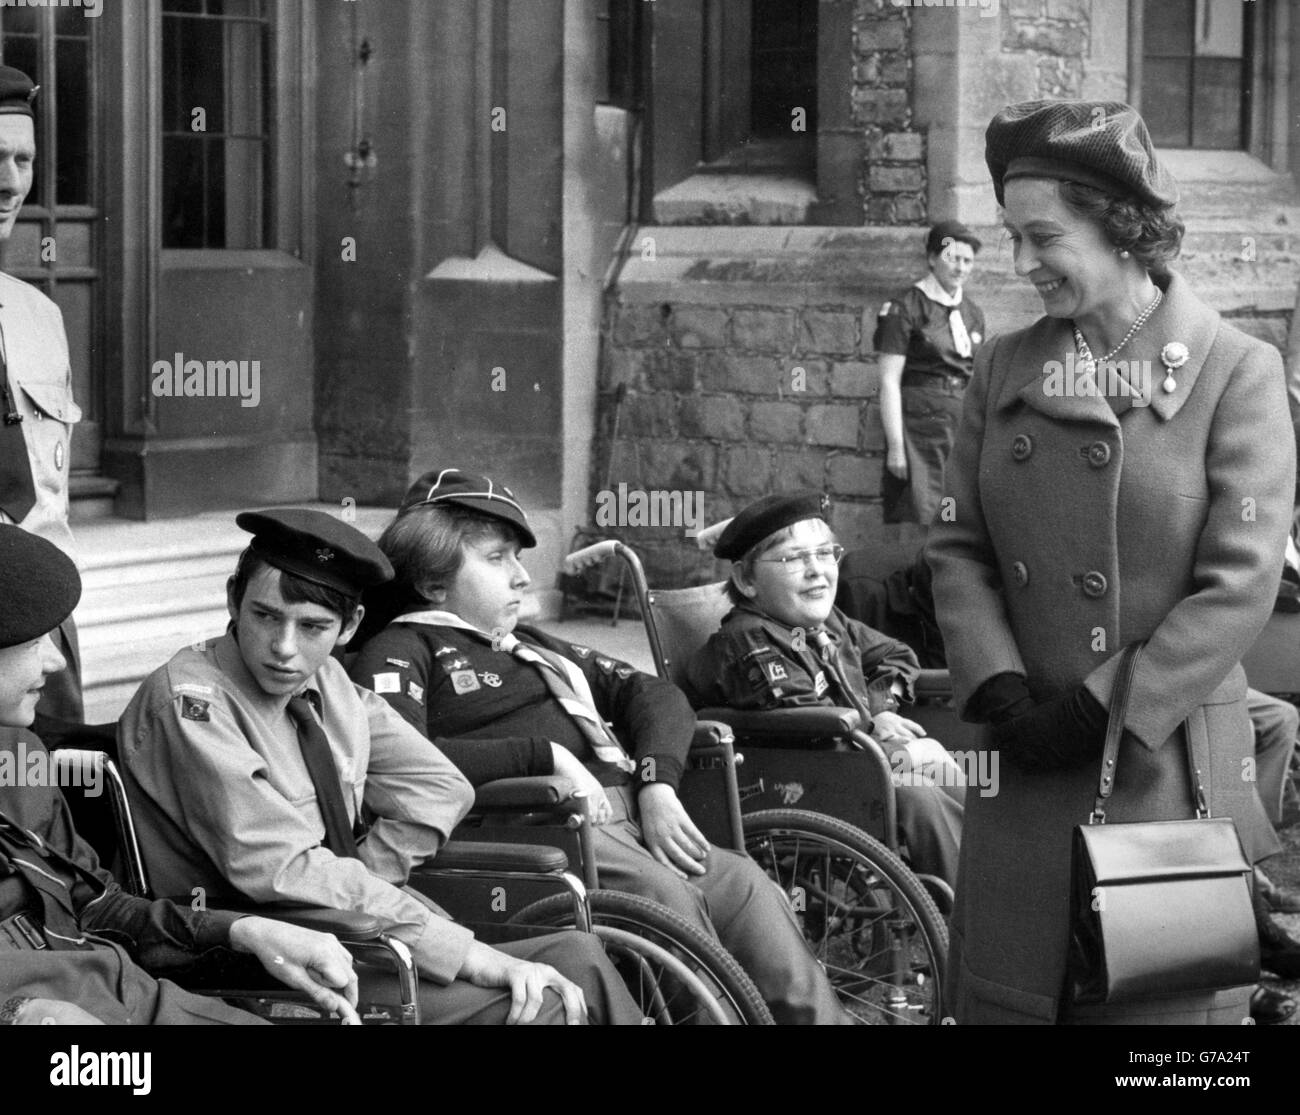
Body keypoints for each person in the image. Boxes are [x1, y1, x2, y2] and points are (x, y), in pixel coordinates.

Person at [926, 100, 1295, 1025]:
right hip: (1022, 759)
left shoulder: (1235, 371)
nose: (1021, 262)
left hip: (1162, 767)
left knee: (1160, 1042)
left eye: (1043, 237)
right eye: (1011, 237)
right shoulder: (1001, 366)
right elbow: (957, 543)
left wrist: (1104, 705)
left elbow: (1240, 583)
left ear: (1122, 228)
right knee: (1014, 998)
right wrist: (999, 686)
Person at [348, 468, 852, 1025]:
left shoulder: (532, 645)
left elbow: (653, 693)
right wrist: (543, 755)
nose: (522, 577)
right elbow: (403, 763)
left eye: (518, 557)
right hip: (542, 831)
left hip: (630, 820)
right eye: (496, 559)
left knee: (745, 885)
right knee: (667, 901)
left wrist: (657, 783)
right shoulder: (401, 649)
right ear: (432, 581)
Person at [119, 508, 643, 1025]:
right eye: (265, 616)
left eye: (313, 627)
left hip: (351, 928)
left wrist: (367, 880)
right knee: (544, 1006)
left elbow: (440, 786)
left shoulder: (327, 684)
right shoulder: (192, 705)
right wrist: (465, 952)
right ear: (234, 599)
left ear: (349, 626)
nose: (284, 648)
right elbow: (287, 869)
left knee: (580, 957)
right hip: (261, 956)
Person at [0, 524, 364, 1026]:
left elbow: (97, 907)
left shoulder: (19, 753)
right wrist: (16, 1011)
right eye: (31, 642)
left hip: (129, 995)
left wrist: (242, 931)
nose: (57, 660)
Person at [684, 492, 965, 889]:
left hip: (845, 764)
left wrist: (881, 708)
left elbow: (896, 654)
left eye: (825, 553)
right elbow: (812, 731)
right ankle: (966, 905)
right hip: (790, 780)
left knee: (934, 768)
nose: (816, 570)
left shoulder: (827, 623)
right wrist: (902, 753)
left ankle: (990, 883)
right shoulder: (750, 642)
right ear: (747, 580)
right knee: (920, 788)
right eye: (793, 559)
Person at [0, 66, 83, 734]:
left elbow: (53, 494)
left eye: (22, 161)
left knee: (52, 773)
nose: (9, 183)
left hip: (45, 616)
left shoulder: (39, 317)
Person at [875, 220, 986, 527]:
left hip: (961, 423)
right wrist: (896, 447)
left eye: (967, 261)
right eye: (953, 258)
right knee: (923, 510)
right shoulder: (905, 307)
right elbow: (889, 381)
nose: (961, 268)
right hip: (920, 426)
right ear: (933, 258)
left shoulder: (972, 313)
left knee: (959, 510)